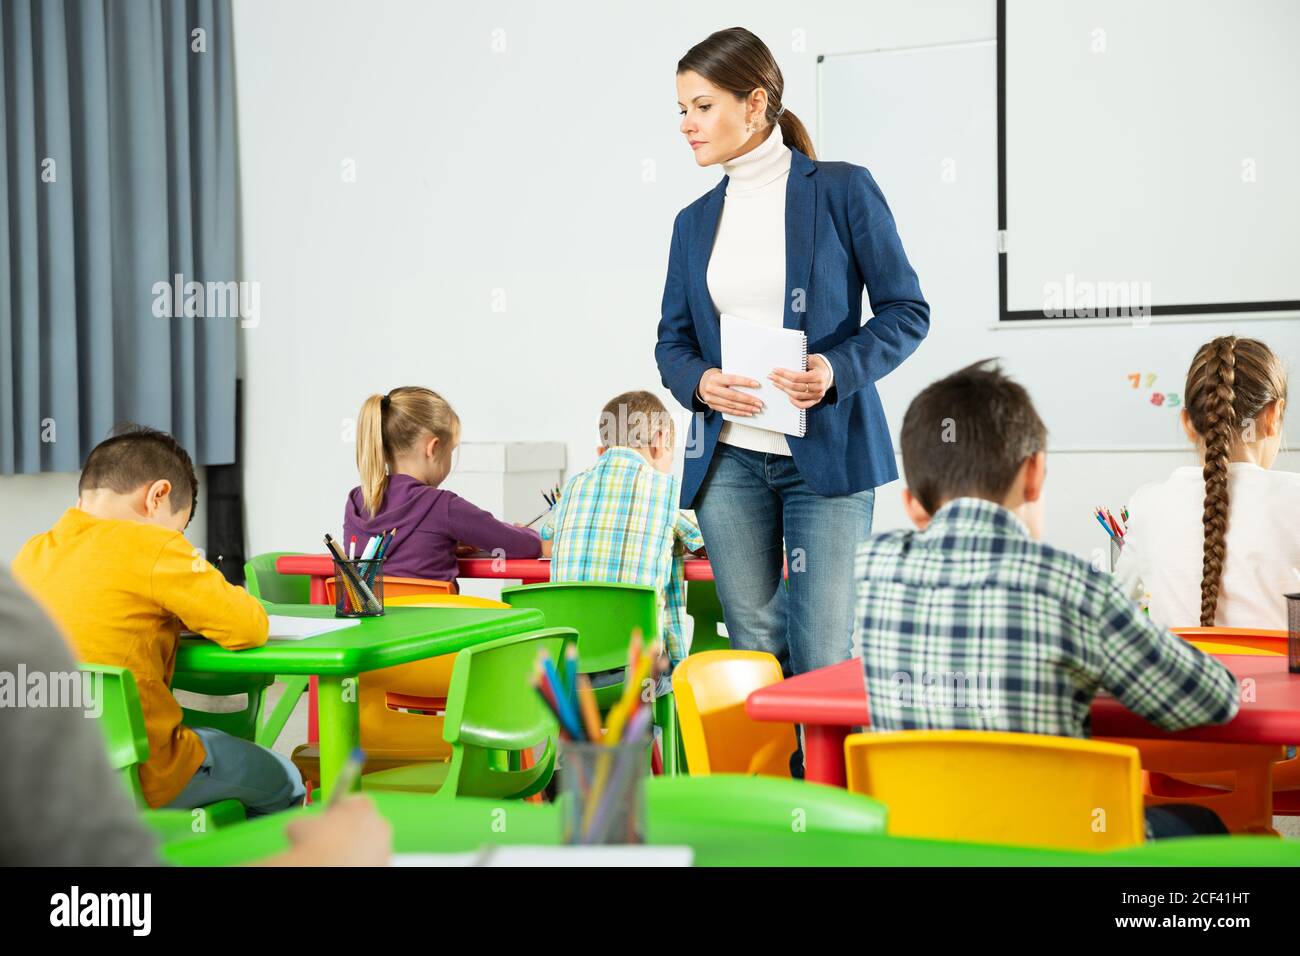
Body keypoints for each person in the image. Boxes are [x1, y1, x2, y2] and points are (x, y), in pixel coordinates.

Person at [655, 29, 929, 772]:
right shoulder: (691, 225)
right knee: (753, 647)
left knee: (820, 650)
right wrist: (700, 383)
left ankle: (829, 812)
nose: (685, 123)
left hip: (827, 461)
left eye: (702, 106)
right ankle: (773, 807)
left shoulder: (841, 189)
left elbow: (908, 310)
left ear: (756, 102)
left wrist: (836, 368)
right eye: (680, 108)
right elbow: (671, 345)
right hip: (731, 465)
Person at [855, 361, 1239, 838]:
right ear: (1034, 473)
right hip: (1058, 846)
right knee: (1200, 822)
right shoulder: (1073, 588)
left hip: (926, 845)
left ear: (913, 503)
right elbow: (1214, 700)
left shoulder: (872, 568)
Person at [13, 426, 304, 816]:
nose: (177, 539)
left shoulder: (31, 553)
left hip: (41, 774)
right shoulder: (153, 545)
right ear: (158, 496)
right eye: (179, 529)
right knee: (286, 778)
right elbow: (249, 626)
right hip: (141, 772)